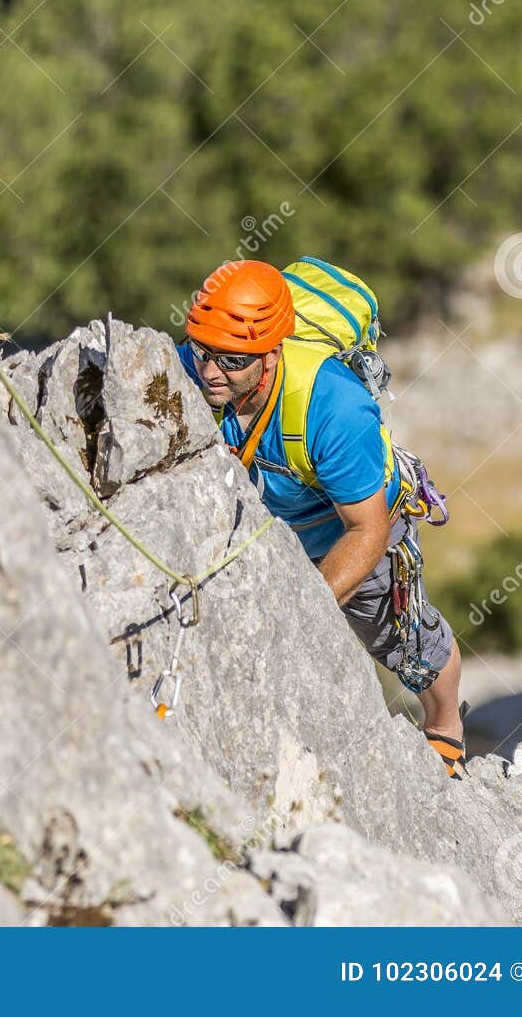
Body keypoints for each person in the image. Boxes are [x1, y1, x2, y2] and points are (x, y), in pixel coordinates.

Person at [176, 259, 466, 776]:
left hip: (356, 528)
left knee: (406, 645)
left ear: (268, 356)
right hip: (272, 514)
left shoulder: (333, 408)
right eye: (202, 352)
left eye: (229, 360)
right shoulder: (200, 362)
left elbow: (369, 529)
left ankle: (446, 727)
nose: (210, 371)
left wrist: (304, 606)